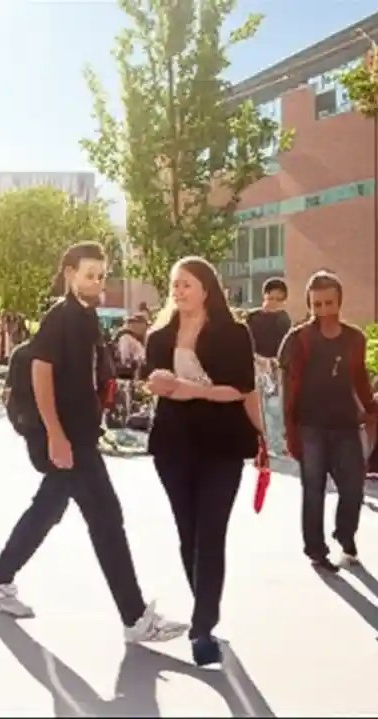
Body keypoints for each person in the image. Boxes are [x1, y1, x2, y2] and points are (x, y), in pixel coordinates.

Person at [0, 241, 187, 644]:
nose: (97, 282)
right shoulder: (61, 317)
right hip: (71, 441)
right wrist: (56, 436)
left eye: (101, 275)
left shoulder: (86, 317)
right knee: (107, 520)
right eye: (89, 274)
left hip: (80, 437)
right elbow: (41, 374)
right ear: (69, 273)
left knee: (47, 510)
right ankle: (135, 618)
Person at [142, 257, 263, 667]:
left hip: (221, 446)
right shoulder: (160, 335)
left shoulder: (233, 333)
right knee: (188, 534)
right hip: (172, 446)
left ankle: (202, 629)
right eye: (175, 284)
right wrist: (161, 385)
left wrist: (188, 388)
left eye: (187, 284)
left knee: (210, 535)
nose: (178, 291)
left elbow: (239, 389)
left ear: (206, 289)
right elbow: (152, 381)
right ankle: (204, 605)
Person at [278, 270, 376, 571]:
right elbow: (286, 387)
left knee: (353, 487)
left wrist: (371, 408)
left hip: (345, 422)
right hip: (310, 425)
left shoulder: (354, 338)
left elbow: (359, 377)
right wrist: (289, 429)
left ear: (339, 302)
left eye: (328, 303)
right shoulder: (298, 339)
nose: (323, 310)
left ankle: (345, 534)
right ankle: (316, 550)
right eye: (316, 304)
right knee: (313, 488)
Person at [246, 278, 292, 457]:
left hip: (274, 368)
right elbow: (246, 343)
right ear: (264, 297)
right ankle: (261, 444)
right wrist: (258, 359)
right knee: (258, 406)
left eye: (278, 300)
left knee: (275, 407)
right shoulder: (253, 318)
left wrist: (275, 362)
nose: (273, 303)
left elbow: (285, 345)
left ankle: (277, 444)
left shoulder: (283, 319)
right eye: (270, 298)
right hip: (255, 365)